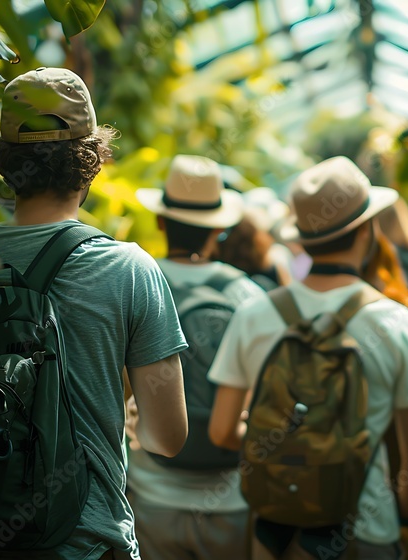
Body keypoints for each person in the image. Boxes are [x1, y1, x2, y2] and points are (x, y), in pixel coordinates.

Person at [0, 67, 188, 560]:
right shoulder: (128, 271)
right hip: (83, 543)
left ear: (5, 162)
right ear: (92, 161)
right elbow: (167, 439)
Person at [207, 156, 408, 559]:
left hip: (277, 529)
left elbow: (223, 432)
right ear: (366, 231)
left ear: (302, 239)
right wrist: (406, 522)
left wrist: (290, 447)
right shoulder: (397, 321)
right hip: (367, 528)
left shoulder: (254, 314)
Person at [126, 154, 262, 560]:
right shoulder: (250, 297)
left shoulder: (133, 286)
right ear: (219, 229)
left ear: (161, 221)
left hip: (150, 491)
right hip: (230, 495)